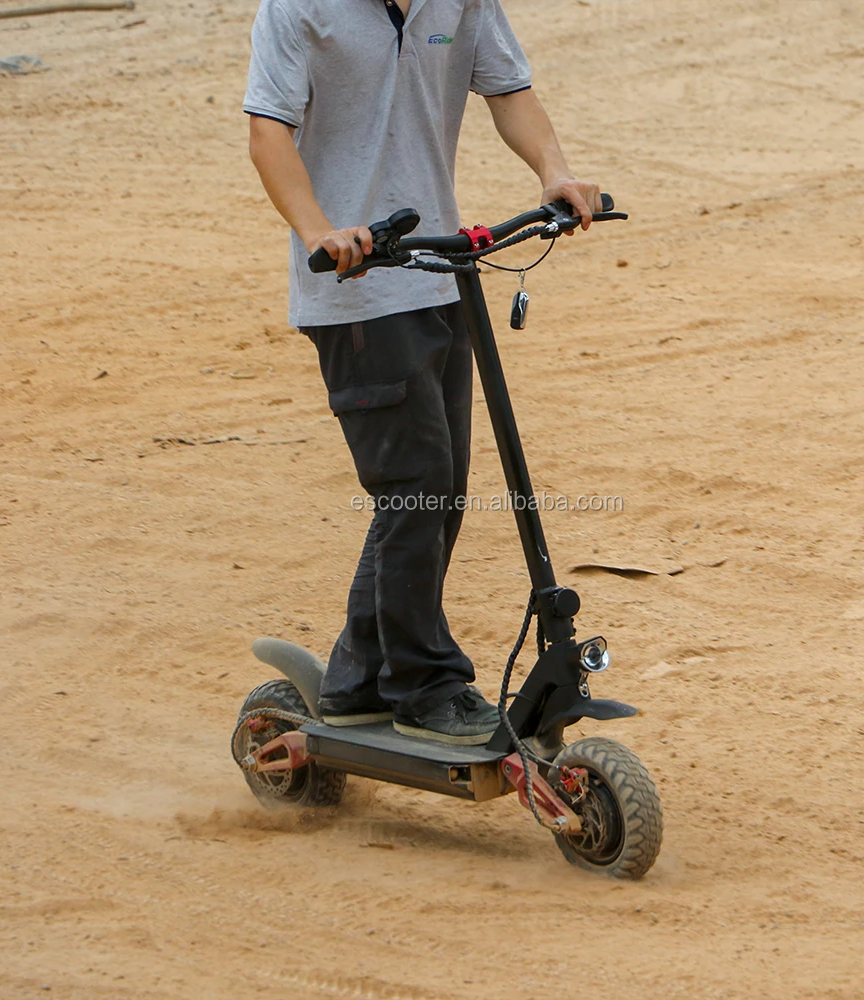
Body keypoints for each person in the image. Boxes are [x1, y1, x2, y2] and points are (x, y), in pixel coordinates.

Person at [244, 0, 602, 745]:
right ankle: (423, 685)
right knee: (416, 485)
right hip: (354, 287)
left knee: (435, 494)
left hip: (438, 274)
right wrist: (319, 229)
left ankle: (356, 681)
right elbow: (268, 130)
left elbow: (507, 87)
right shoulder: (299, 7)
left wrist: (554, 171)